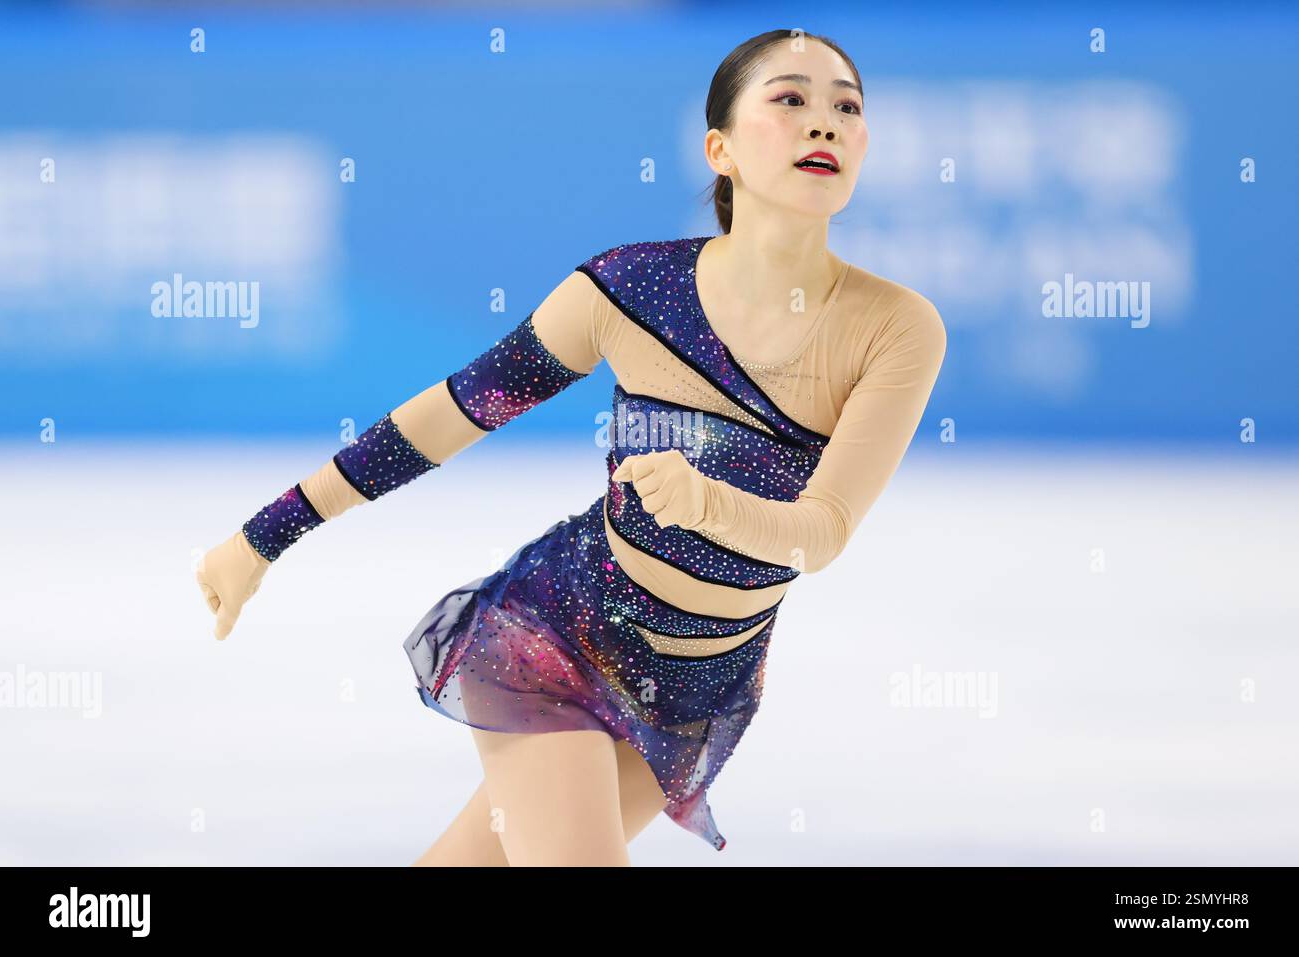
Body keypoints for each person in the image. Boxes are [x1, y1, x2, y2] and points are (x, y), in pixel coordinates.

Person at [194, 29, 947, 866]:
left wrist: (706, 503)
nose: (826, 124)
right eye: (791, 100)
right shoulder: (630, 292)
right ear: (719, 148)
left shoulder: (895, 327)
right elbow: (452, 414)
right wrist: (264, 534)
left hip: (695, 686)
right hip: (555, 635)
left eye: (847, 107)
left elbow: (824, 531)